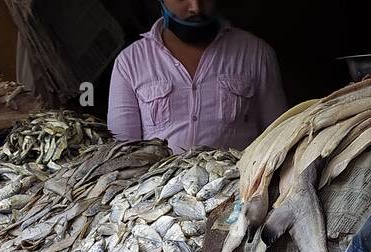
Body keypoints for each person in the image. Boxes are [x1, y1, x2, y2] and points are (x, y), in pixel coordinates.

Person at [107, 1, 287, 153]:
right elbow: (123, 152)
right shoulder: (130, 62)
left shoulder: (256, 53)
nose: (196, 8)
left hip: (236, 190)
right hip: (156, 191)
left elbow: (280, 137)